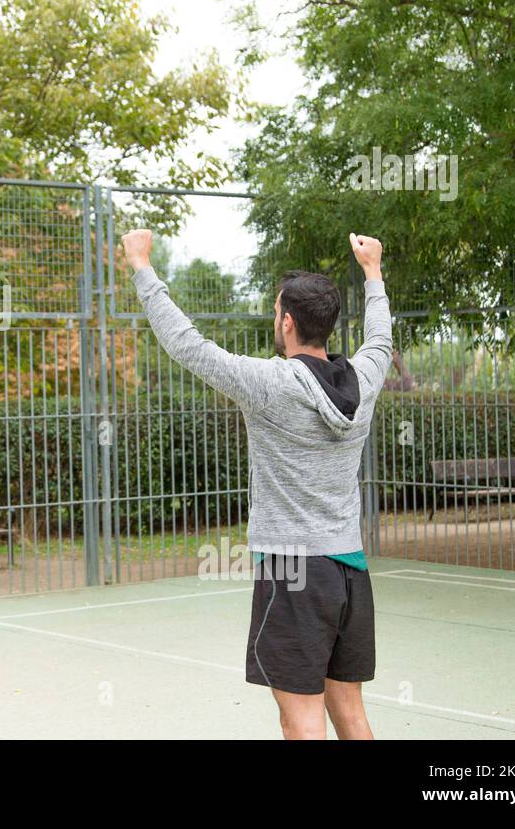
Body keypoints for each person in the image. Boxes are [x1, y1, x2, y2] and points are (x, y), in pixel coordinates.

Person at [121, 230, 392, 740]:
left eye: (276, 313)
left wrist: (141, 264)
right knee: (351, 714)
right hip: (350, 569)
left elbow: (187, 344)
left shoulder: (268, 383)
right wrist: (372, 273)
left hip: (293, 569)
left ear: (287, 322)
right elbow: (380, 337)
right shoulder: (366, 377)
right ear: (328, 325)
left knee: (301, 716)